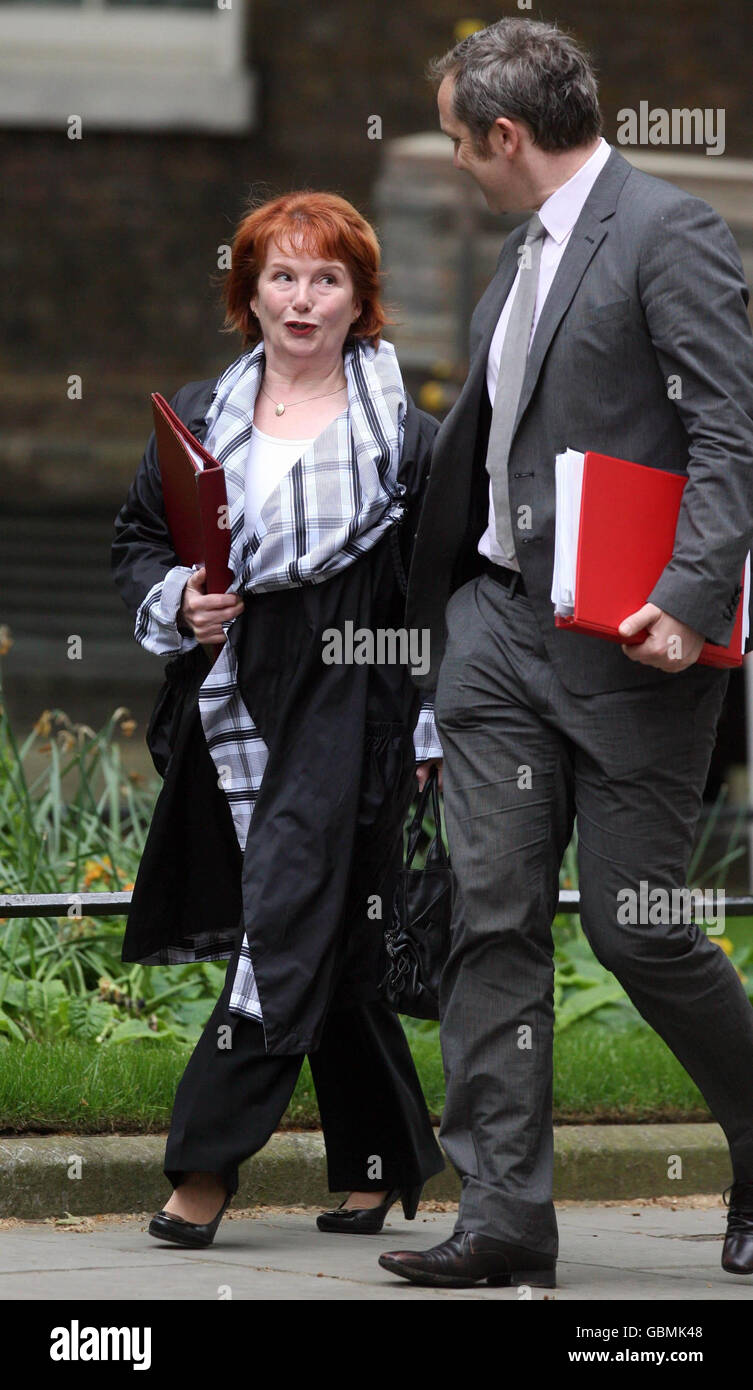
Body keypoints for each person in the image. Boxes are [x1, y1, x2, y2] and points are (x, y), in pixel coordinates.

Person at [378, 17, 753, 1289]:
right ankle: (504, 1215)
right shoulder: (520, 257)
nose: (459, 165)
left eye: (458, 141)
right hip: (493, 628)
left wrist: (695, 598)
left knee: (642, 925)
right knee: (491, 916)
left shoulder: (671, 233)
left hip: (632, 641)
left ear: (504, 134)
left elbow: (730, 437)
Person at [111, 190, 445, 1249]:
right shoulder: (202, 414)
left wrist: (433, 725)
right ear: (247, 293)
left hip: (359, 687)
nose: (303, 299)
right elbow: (137, 540)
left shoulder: (411, 439)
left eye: (328, 278)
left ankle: (203, 1164)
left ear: (362, 300)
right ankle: (383, 1159)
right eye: (282, 277)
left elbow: (442, 592)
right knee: (330, 927)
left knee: (287, 911)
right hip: (232, 690)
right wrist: (179, 599)